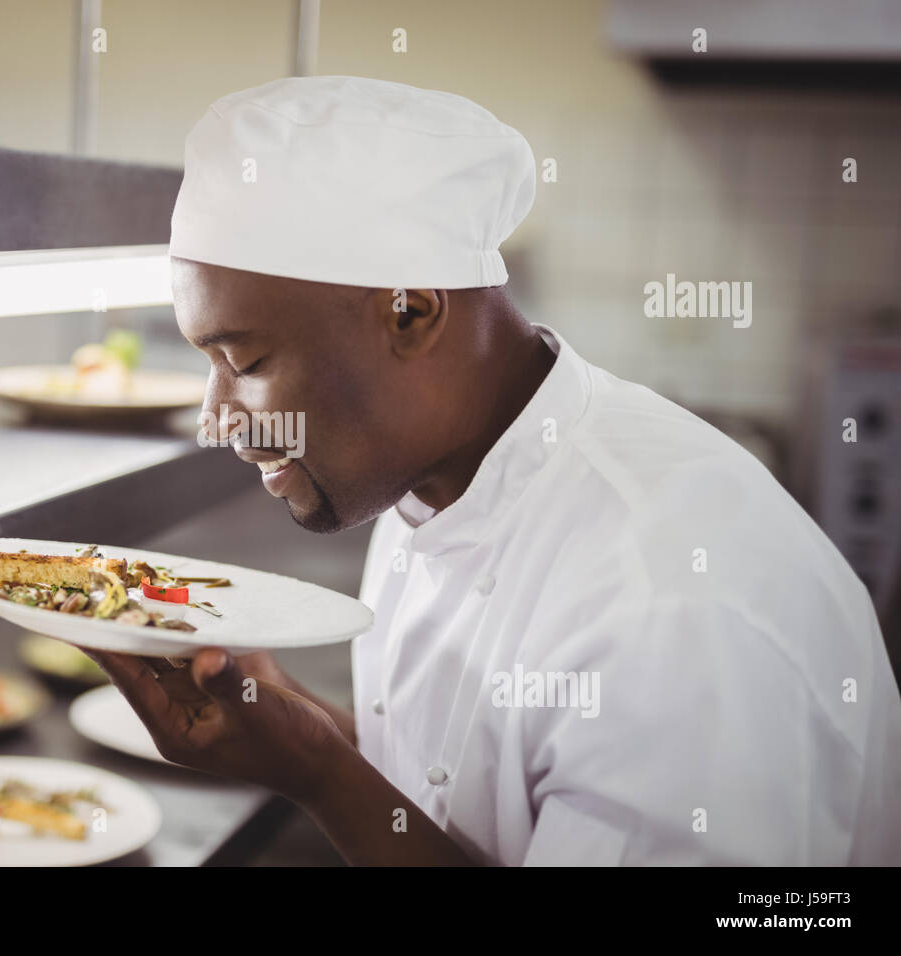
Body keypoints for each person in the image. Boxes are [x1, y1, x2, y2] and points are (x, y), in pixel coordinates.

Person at [80, 76, 901, 865]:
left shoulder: (678, 604)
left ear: (412, 312)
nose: (215, 418)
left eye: (245, 359)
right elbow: (461, 792)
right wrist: (307, 736)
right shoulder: (427, 476)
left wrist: (320, 775)